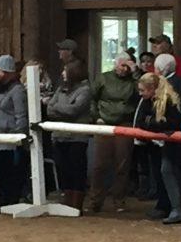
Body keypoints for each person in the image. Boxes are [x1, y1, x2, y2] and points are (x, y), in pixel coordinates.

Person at [86, 54, 139, 213]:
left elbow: (141, 94)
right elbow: (92, 99)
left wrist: (135, 73)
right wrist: (96, 117)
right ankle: (95, 200)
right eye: (121, 65)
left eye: (127, 66)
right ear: (115, 64)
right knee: (99, 165)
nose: (124, 69)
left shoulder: (133, 81)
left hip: (125, 123)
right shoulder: (103, 78)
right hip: (104, 123)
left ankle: (119, 200)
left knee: (122, 164)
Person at [135, 72, 181, 224]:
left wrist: (152, 122)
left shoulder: (170, 100)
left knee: (168, 172)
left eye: (143, 90)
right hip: (155, 144)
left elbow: (173, 123)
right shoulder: (146, 101)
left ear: (152, 88)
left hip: (173, 145)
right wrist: (157, 123)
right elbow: (140, 122)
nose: (140, 93)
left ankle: (176, 208)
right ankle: (164, 206)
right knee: (158, 174)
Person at [46, 59, 92, 212]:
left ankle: (76, 203)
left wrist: (57, 107)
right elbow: (49, 110)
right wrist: (62, 108)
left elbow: (74, 110)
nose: (62, 73)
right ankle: (66, 200)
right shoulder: (60, 89)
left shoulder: (85, 90)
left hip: (77, 137)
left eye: (65, 70)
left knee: (77, 169)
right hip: (59, 136)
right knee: (62, 168)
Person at [0, 54, 29, 211]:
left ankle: (12, 202)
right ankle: (2, 202)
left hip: (12, 140)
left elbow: (21, 115)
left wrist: (19, 138)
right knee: (1, 173)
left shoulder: (18, 91)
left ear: (8, 72)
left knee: (11, 173)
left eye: (0, 70)